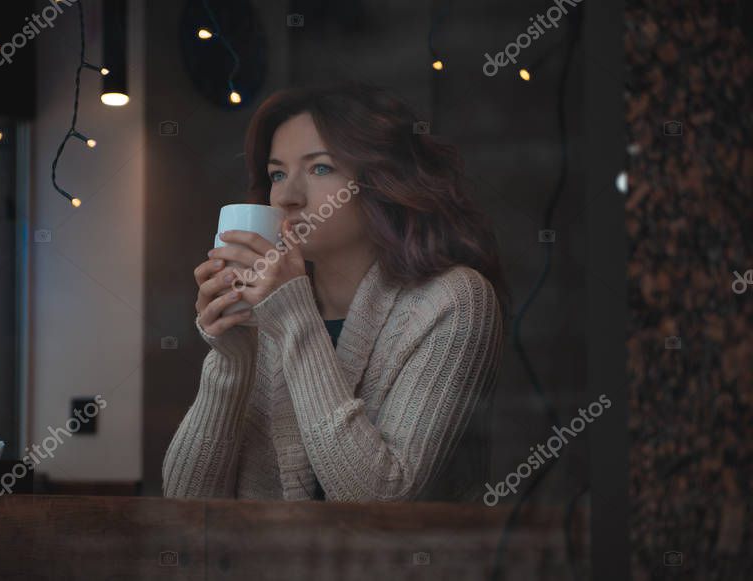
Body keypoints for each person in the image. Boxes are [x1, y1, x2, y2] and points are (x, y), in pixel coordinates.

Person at [163, 81, 509, 502]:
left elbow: (382, 502)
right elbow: (186, 505)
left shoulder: (455, 301)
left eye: (320, 168)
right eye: (277, 174)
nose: (288, 197)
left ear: (381, 180)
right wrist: (231, 358)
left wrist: (295, 319)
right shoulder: (265, 311)